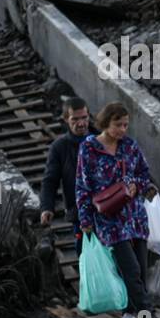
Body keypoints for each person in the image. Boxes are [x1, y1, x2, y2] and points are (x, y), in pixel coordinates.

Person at [75, 101, 160, 318]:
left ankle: (129, 314)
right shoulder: (89, 148)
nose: (122, 130)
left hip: (134, 215)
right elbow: (82, 185)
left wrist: (134, 187)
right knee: (129, 268)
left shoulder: (129, 146)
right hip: (109, 218)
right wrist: (85, 219)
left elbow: (143, 173)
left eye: (126, 125)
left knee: (139, 268)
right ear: (105, 123)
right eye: (118, 125)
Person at [39, 97, 97, 252]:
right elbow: (50, 180)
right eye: (75, 119)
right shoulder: (60, 147)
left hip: (107, 209)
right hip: (79, 212)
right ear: (66, 119)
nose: (81, 123)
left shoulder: (102, 140)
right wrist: (47, 207)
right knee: (85, 254)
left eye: (84, 118)